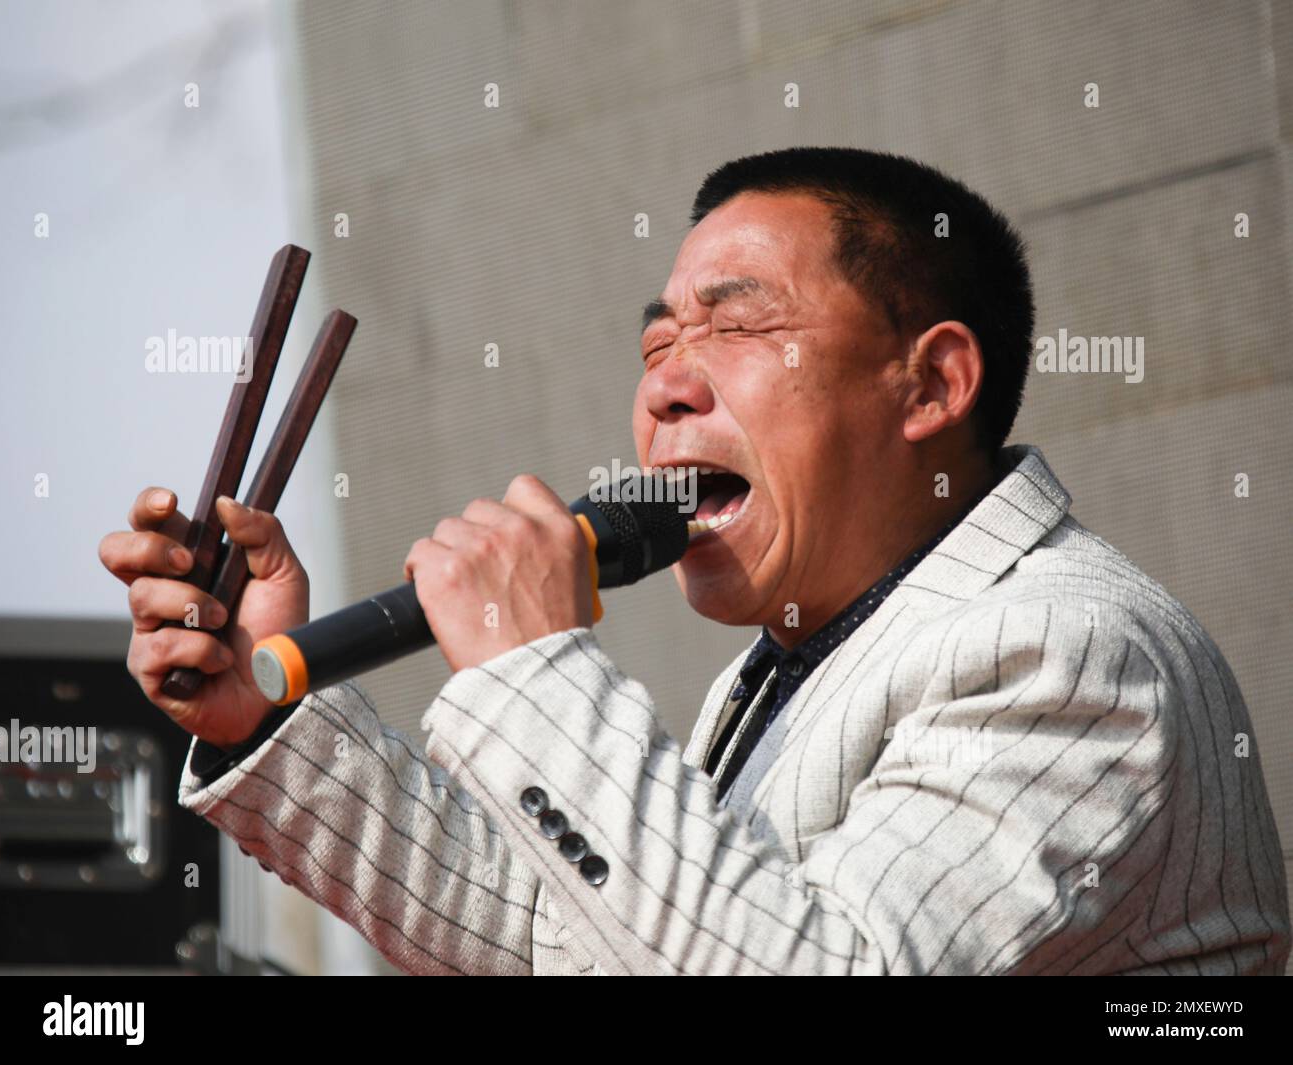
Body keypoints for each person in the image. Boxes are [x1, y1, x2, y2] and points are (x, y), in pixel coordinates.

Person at [99, 147, 1289, 975]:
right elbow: (565, 949)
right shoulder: (792, 667)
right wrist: (267, 716)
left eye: (736, 323)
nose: (665, 382)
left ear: (930, 382)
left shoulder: (1070, 648)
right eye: (658, 339)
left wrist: (535, 672)